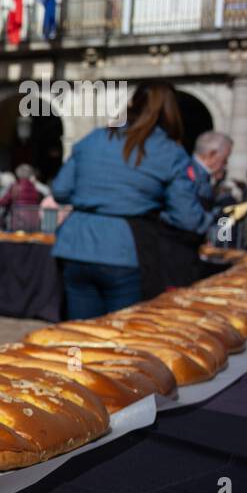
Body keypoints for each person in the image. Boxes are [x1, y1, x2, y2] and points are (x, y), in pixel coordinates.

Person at [50, 82, 212, 319]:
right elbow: (187, 217)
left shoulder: (94, 138)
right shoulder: (169, 151)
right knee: (121, 337)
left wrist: (95, 198)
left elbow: (61, 190)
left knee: (80, 334)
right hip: (126, 250)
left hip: (76, 245)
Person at [190, 131, 233, 214]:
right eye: (225, 158)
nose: (226, 163)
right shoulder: (192, 175)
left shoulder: (201, 174)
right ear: (212, 154)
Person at [0, 163, 42, 230]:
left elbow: (4, 201)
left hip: (18, 218)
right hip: (32, 219)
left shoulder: (15, 186)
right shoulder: (34, 187)